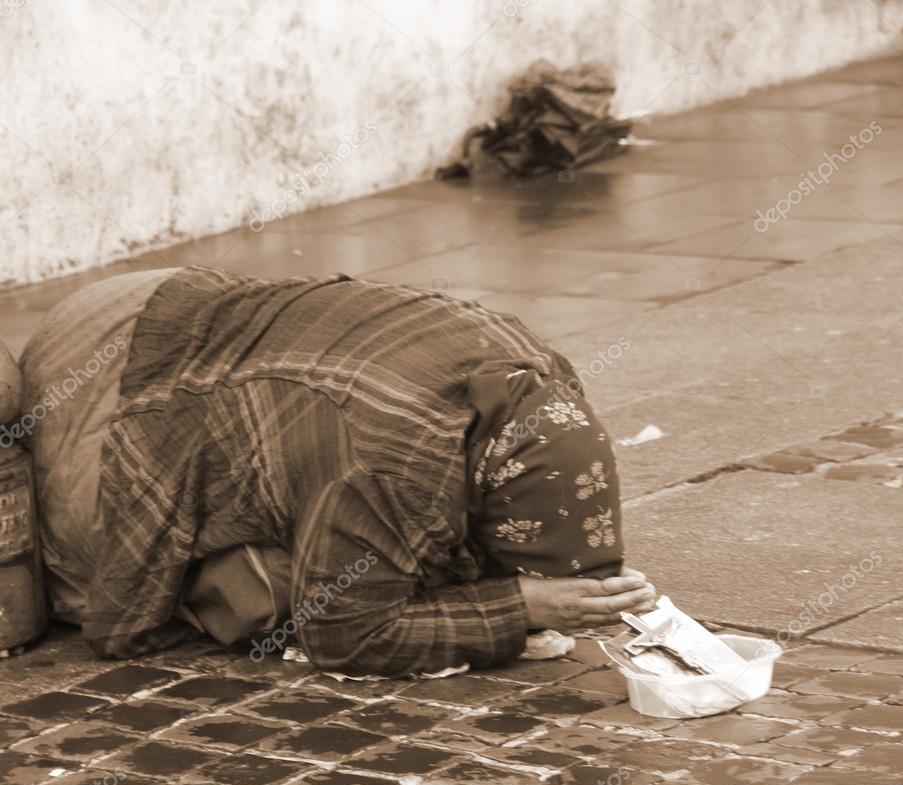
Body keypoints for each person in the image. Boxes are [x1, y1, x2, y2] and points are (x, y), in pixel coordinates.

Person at [18, 265, 656, 676]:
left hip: (166, 294)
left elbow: (549, 494)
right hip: (105, 376)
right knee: (266, 594)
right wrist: (521, 604)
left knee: (384, 545)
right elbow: (347, 632)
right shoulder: (393, 467)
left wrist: (581, 573)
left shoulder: (542, 377)